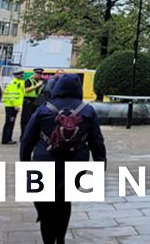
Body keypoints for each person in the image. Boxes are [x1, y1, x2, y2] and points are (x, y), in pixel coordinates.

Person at [21, 74, 106, 244]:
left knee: (45, 202)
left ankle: (48, 237)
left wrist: (25, 163)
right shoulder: (87, 110)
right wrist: (100, 165)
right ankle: (60, 238)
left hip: (45, 160)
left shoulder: (44, 109)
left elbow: (27, 140)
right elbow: (97, 141)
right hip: (76, 161)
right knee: (64, 202)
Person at [1, 68, 26, 144]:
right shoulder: (15, 84)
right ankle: (6, 139)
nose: (23, 76)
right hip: (12, 106)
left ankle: (7, 138)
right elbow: (13, 95)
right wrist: (16, 105)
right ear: (18, 75)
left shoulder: (15, 82)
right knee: (10, 122)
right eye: (22, 75)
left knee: (10, 122)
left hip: (10, 105)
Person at [21, 68, 45, 135]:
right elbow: (27, 90)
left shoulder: (41, 81)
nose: (39, 75)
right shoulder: (28, 81)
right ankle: (24, 135)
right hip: (28, 102)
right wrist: (37, 86)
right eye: (37, 73)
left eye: (40, 74)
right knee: (26, 120)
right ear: (34, 73)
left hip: (37, 102)